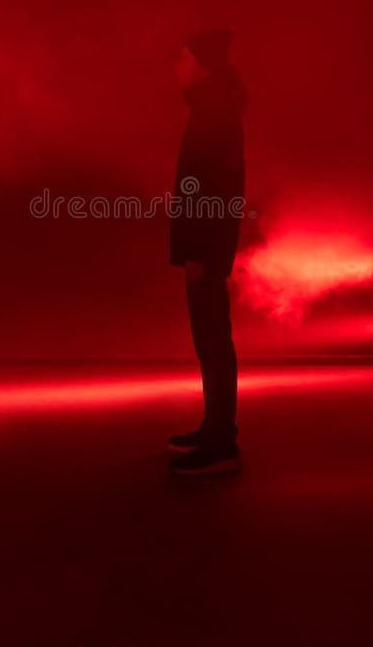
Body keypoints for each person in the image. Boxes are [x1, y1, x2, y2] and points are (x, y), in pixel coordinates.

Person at [169, 30, 246, 475]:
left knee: (213, 340)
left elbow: (217, 191)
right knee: (211, 341)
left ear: (203, 65)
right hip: (204, 247)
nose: (177, 67)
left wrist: (202, 254)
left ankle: (220, 437)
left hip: (205, 249)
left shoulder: (214, 115)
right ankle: (216, 426)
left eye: (184, 58)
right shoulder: (212, 110)